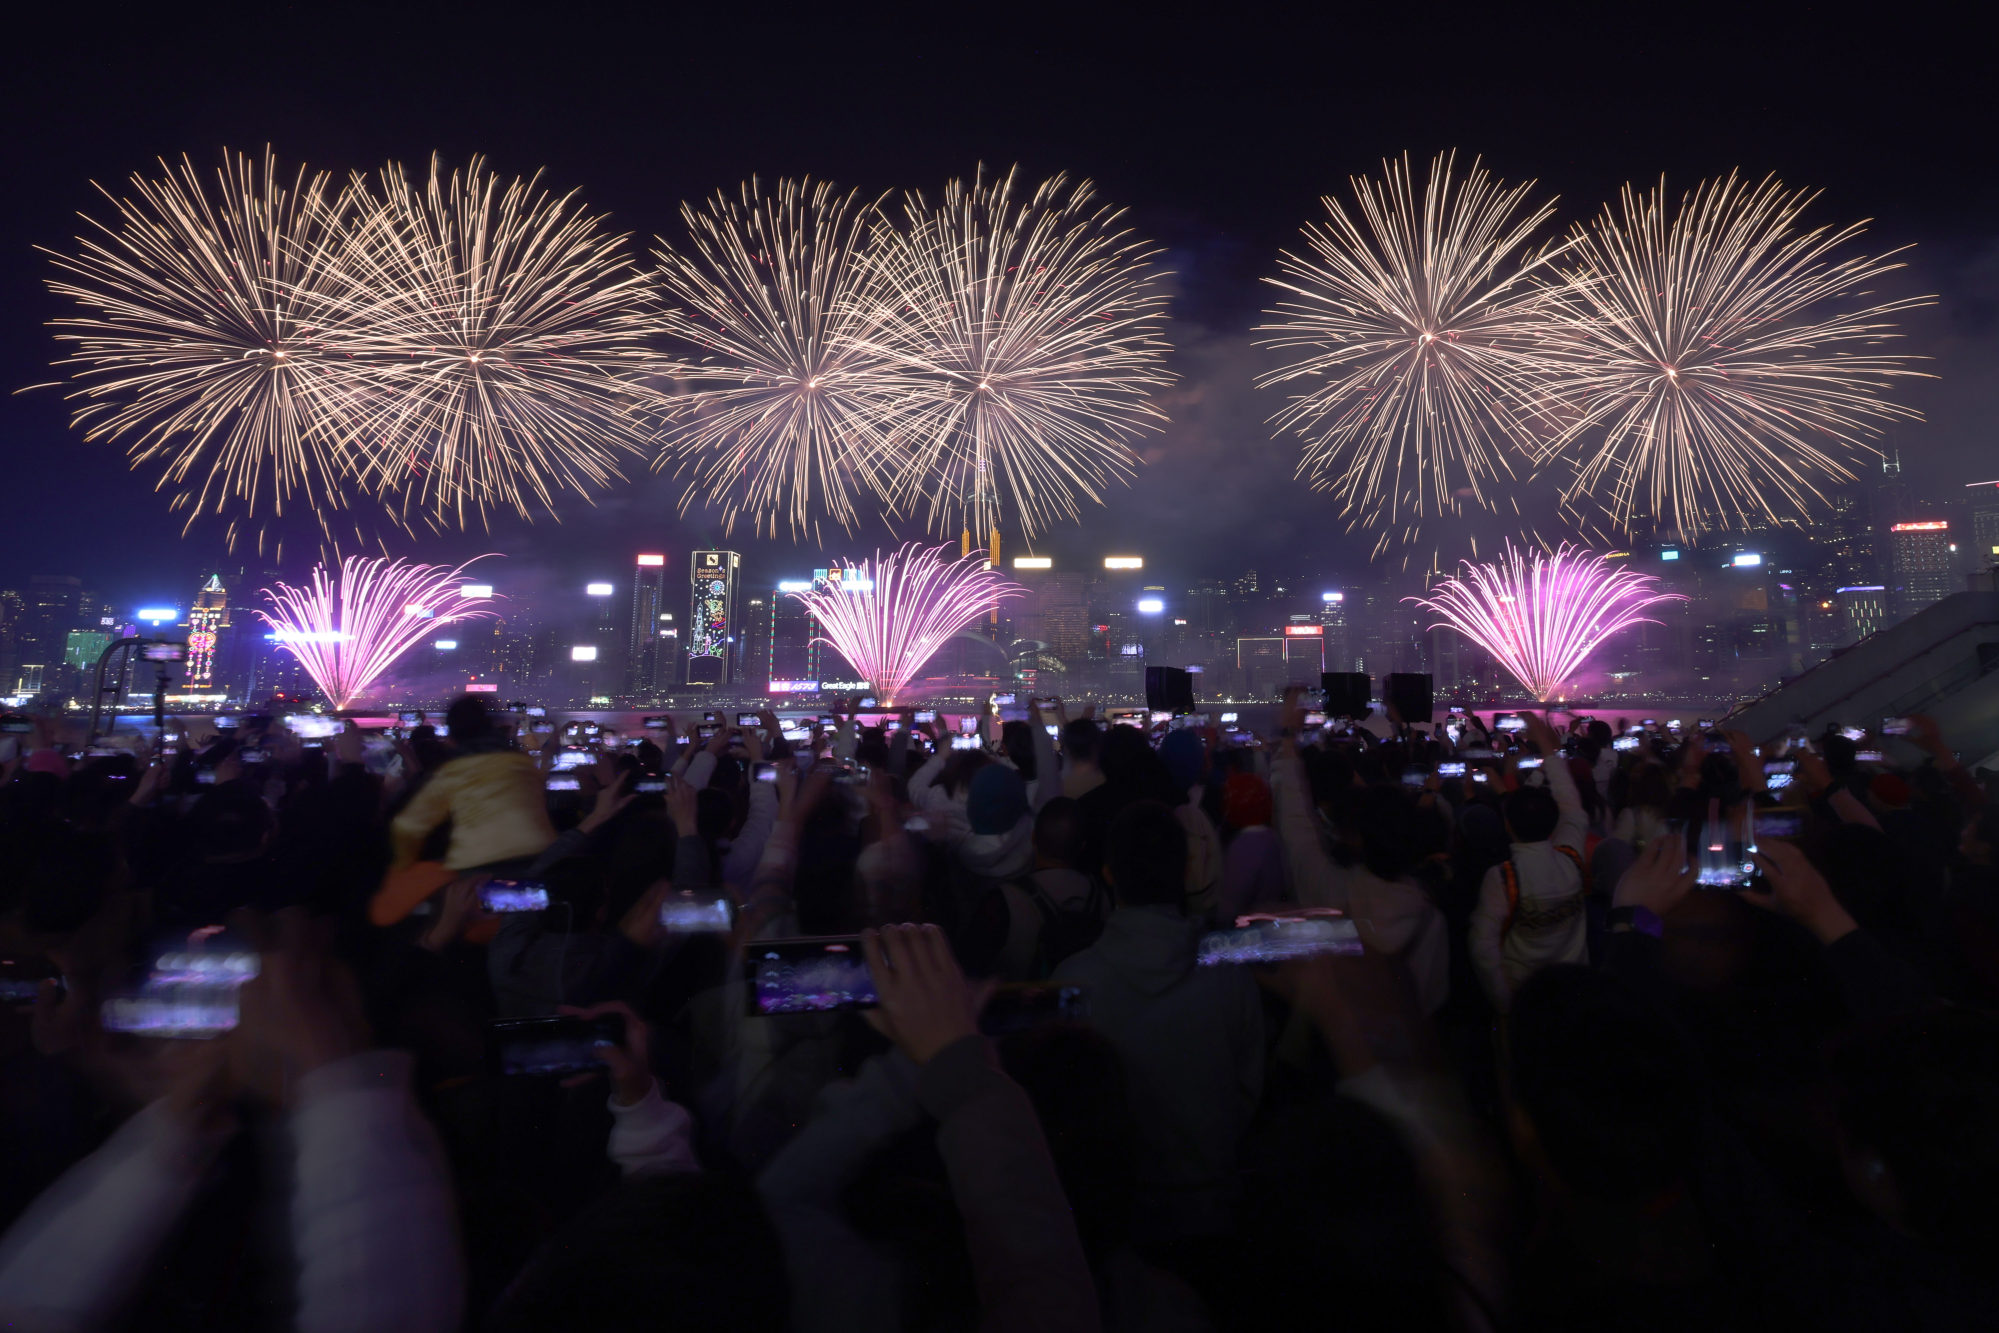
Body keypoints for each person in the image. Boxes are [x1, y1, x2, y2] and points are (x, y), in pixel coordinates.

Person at [1053, 801, 1263, 1248]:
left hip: (1111, 1217)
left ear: (1109, 873)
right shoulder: (1231, 975)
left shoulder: (1073, 980)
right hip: (1213, 1205)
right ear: (1185, 871)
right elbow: (1248, 1089)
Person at [1467, 711, 1590, 1014]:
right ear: (1553, 822)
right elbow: (1570, 801)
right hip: (1576, 989)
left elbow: (1483, 948)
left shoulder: (1505, 877)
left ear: (1507, 825)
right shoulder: (1571, 858)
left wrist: (1506, 1004)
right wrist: (1550, 750)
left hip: (1525, 997)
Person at [389, 694, 556, 874]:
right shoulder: (521, 762)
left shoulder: (453, 771)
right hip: (541, 859)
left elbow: (409, 826)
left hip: (478, 865)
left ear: (452, 735)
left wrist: (400, 866)